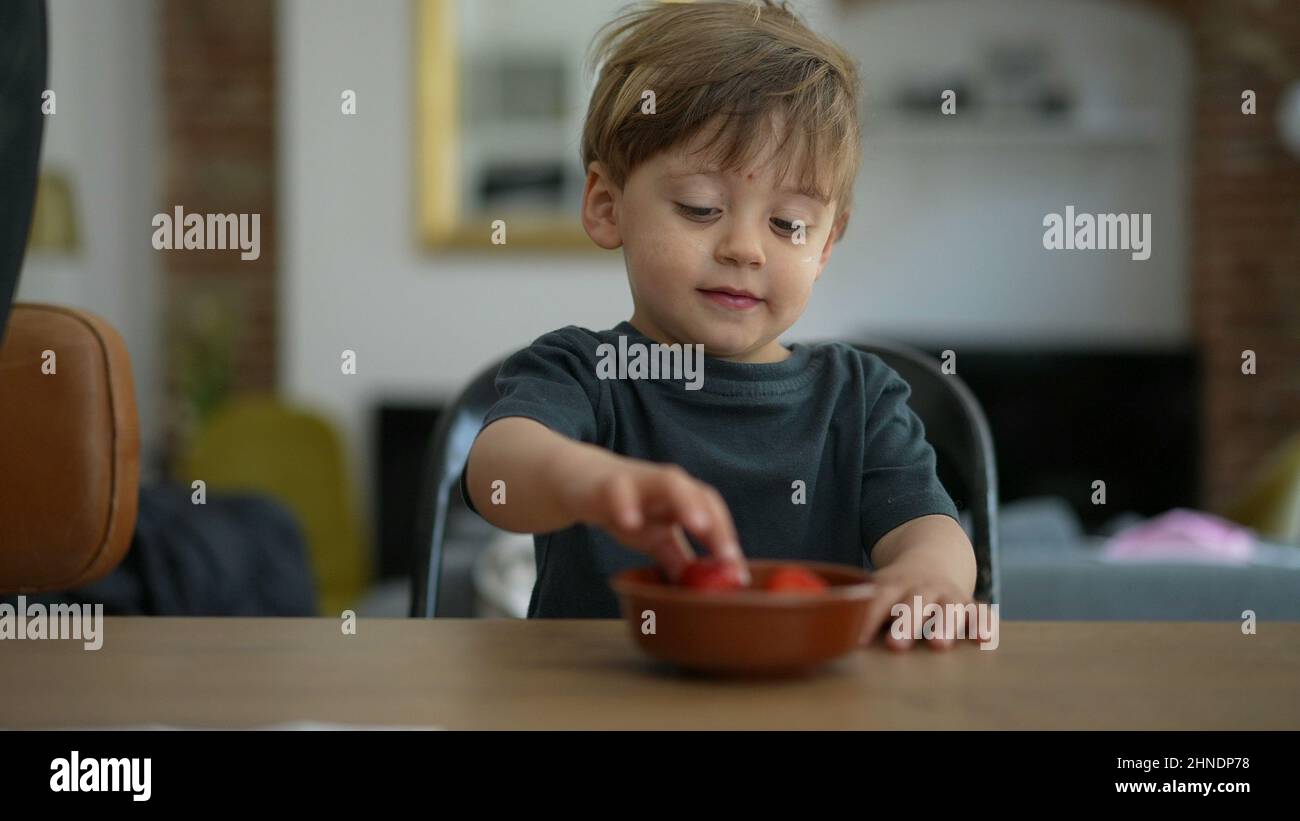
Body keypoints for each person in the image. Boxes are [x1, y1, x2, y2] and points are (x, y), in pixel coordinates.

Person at [464, 0, 976, 649]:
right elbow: (498, 476)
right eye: (701, 207)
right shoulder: (583, 372)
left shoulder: (862, 397)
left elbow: (929, 531)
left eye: (789, 224)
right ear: (605, 205)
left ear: (825, 245)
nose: (745, 248)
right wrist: (589, 482)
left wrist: (931, 576)